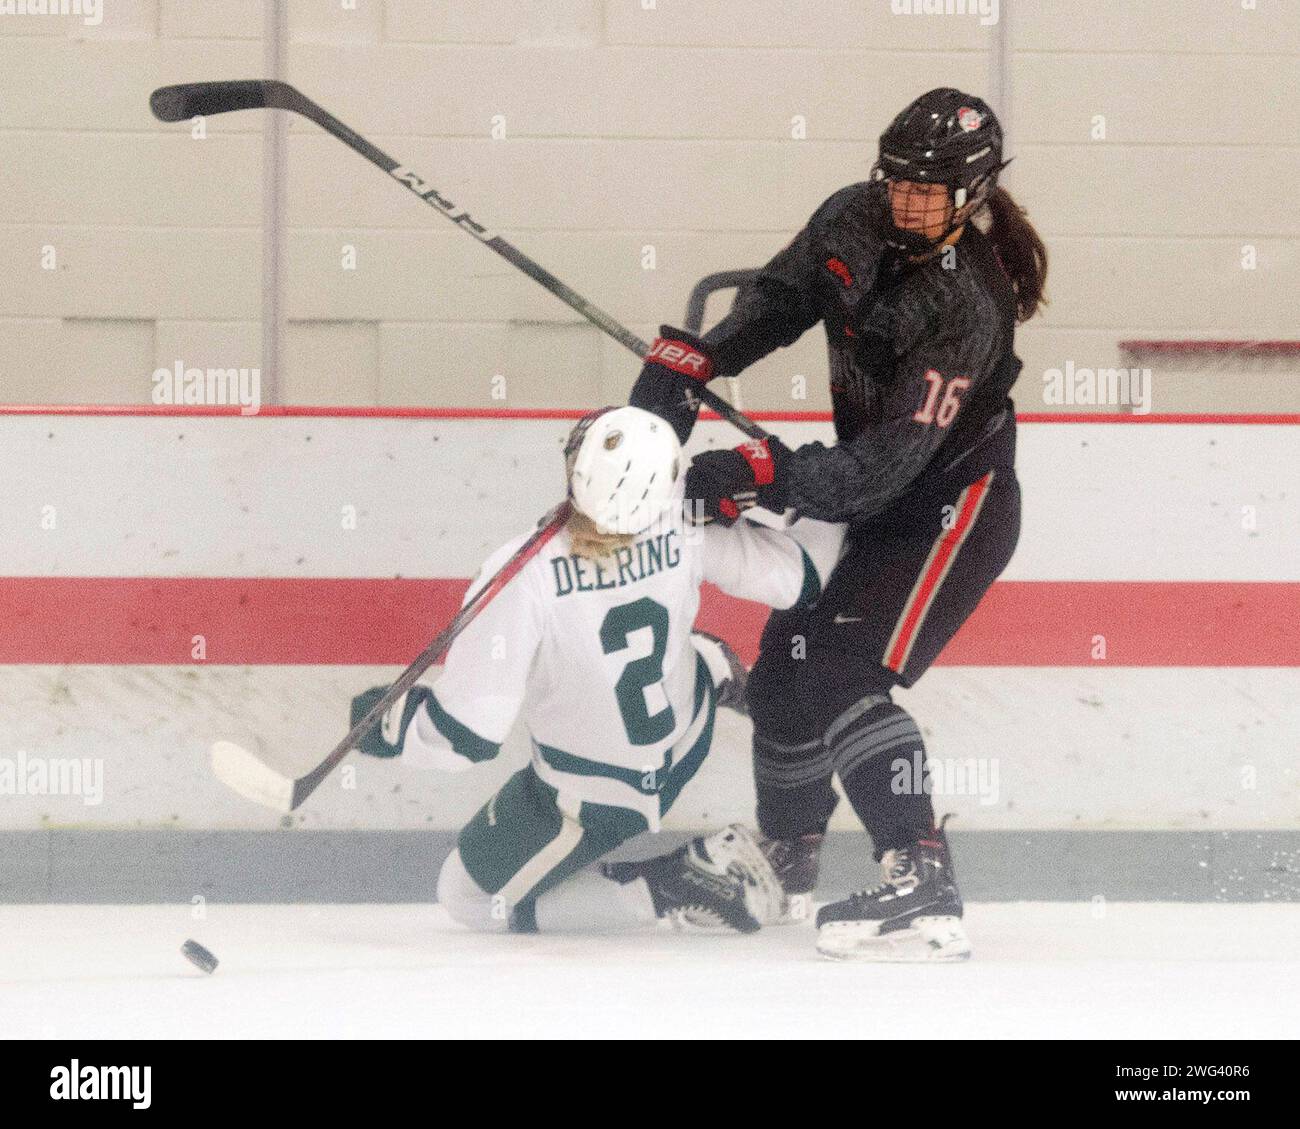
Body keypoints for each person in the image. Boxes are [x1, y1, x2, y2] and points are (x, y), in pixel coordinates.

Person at [628, 88, 1048, 960]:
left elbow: (883, 468)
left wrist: (759, 472)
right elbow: (781, 301)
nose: (906, 202)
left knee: (841, 665)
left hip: (947, 507)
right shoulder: (850, 219)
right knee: (784, 675)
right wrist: (699, 360)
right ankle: (786, 859)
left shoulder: (968, 305)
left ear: (971, 196)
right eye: (895, 182)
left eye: (928, 191)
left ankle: (920, 870)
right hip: (880, 487)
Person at [351, 406, 841, 935]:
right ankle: (716, 666)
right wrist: (829, 493)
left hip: (594, 796)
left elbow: (468, 735)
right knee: (674, 645)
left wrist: (390, 726)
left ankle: (670, 883)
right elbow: (800, 577)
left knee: (467, 897)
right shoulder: (682, 519)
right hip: (686, 738)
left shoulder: (522, 571)